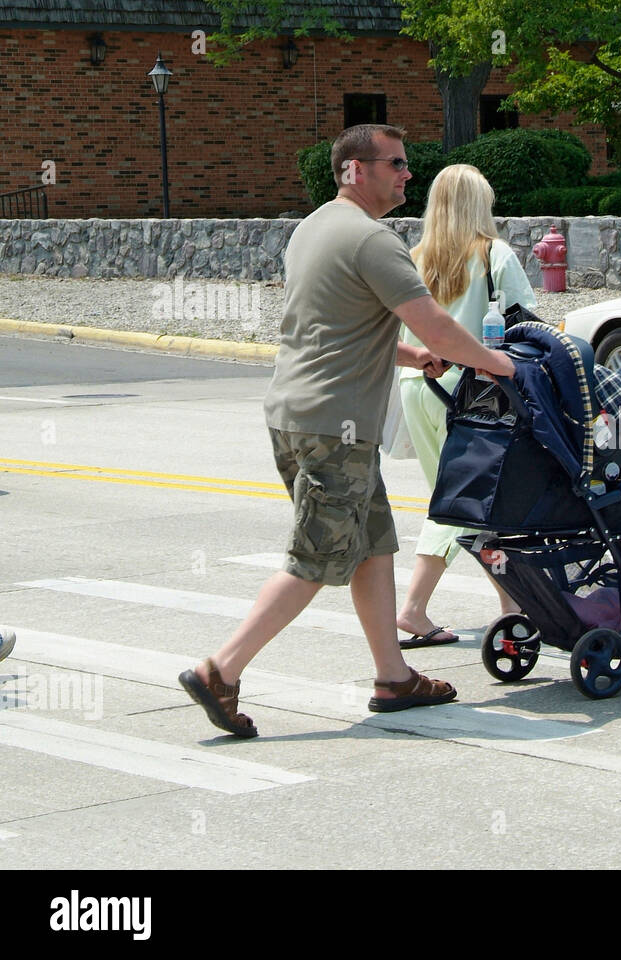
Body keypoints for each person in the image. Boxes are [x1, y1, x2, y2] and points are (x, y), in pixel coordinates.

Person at [178, 124, 515, 739]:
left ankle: (394, 676)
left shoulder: (312, 228)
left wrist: (410, 358)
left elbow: (332, 328)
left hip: (295, 416)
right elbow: (439, 326)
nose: (407, 174)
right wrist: (501, 364)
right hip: (336, 428)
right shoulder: (373, 241)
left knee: (373, 542)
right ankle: (220, 670)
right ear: (354, 170)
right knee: (317, 556)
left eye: (407, 165)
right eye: (395, 164)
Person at [394, 164, 537, 649]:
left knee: (465, 500)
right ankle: (414, 608)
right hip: (472, 392)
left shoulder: (415, 258)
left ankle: (512, 607)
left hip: (418, 384)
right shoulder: (494, 254)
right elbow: (526, 324)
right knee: (467, 501)